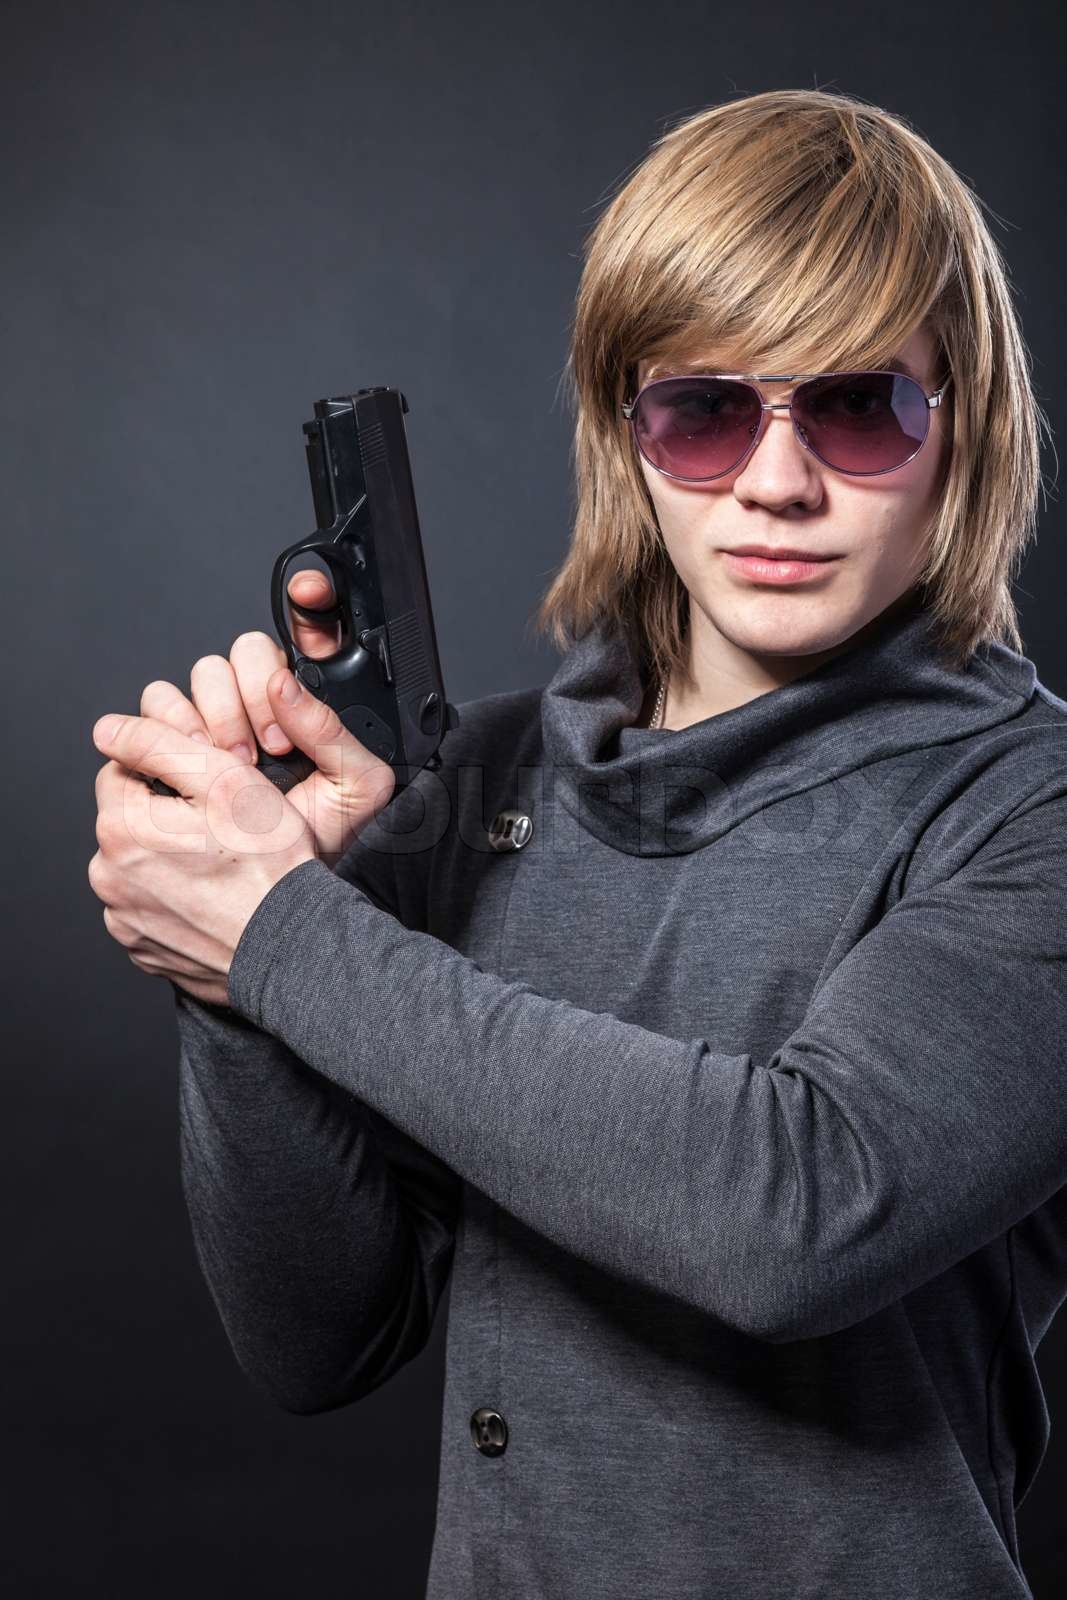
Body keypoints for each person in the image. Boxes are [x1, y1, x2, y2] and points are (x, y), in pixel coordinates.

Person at [89, 88, 1067, 1598]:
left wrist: (280, 932)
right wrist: (233, 996)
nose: (777, 481)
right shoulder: (471, 784)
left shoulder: (1030, 807)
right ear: (629, 432)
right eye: (708, 408)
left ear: (966, 433)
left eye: (863, 405)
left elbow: (794, 1212)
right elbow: (317, 1342)